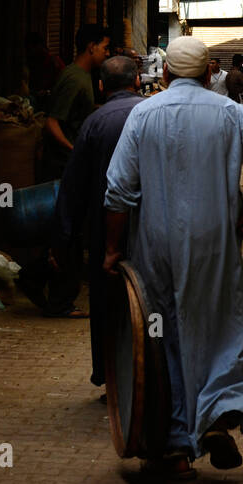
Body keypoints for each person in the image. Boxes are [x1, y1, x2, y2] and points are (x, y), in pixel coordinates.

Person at [103, 35, 243, 478]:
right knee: (218, 327)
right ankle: (218, 416)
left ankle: (174, 446)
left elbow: (118, 190)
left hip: (154, 247)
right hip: (215, 244)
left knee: (161, 336)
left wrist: (112, 251)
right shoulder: (229, 113)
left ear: (165, 74)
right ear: (210, 74)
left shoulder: (143, 114)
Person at [48, 56, 145, 379]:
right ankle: (148, 375)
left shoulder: (95, 123)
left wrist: (62, 241)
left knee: (106, 301)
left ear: (101, 86)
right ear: (137, 81)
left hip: (105, 232)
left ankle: (110, 374)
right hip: (151, 229)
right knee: (150, 303)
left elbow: (72, 187)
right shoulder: (154, 115)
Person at [40, 24, 111, 181]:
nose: (108, 53)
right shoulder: (74, 79)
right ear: (92, 47)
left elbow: (77, 108)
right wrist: (73, 149)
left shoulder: (83, 74)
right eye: (105, 48)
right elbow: (52, 122)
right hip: (63, 165)